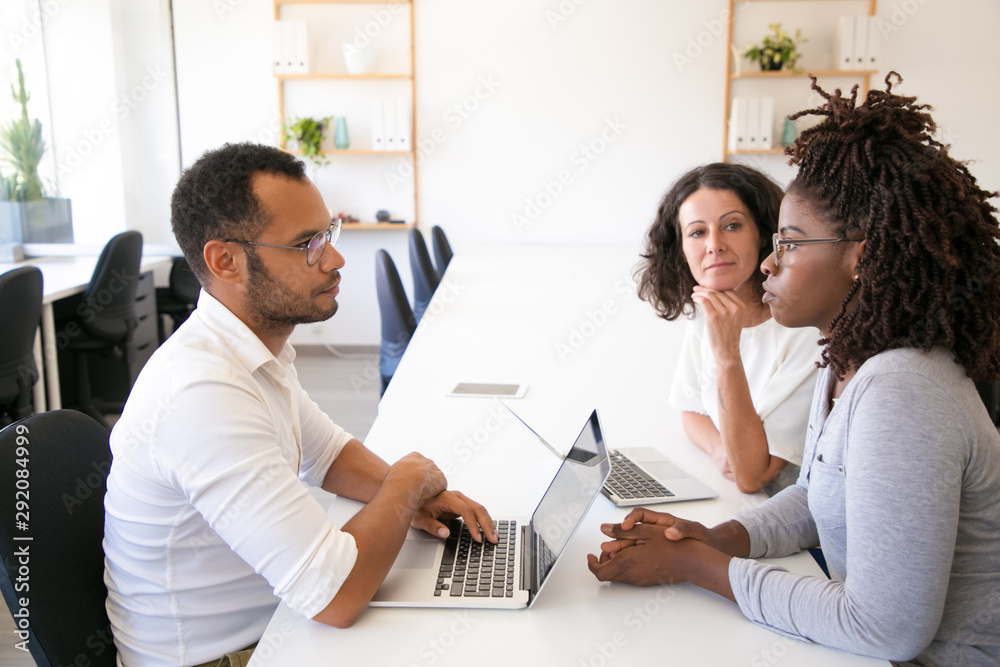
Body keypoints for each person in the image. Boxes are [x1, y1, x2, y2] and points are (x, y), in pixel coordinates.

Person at [589, 74, 1000, 665]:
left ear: (862, 256)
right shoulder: (849, 360)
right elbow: (814, 496)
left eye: (790, 243)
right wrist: (716, 537)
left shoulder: (903, 391)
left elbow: (886, 629)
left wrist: (700, 566)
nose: (769, 265)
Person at [103, 143, 498, 667]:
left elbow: (328, 454)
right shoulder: (201, 394)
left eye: (327, 234)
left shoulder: (247, 350)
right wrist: (407, 480)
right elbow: (334, 598)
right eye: (306, 245)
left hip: (272, 626)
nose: (334, 259)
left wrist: (420, 502)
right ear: (226, 261)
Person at [636, 163, 821, 494]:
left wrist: (727, 356)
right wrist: (717, 447)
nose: (714, 245)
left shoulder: (806, 331)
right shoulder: (711, 309)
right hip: (733, 500)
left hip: (787, 518)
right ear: (680, 248)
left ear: (765, 234)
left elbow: (752, 475)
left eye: (732, 225)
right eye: (697, 232)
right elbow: (691, 411)